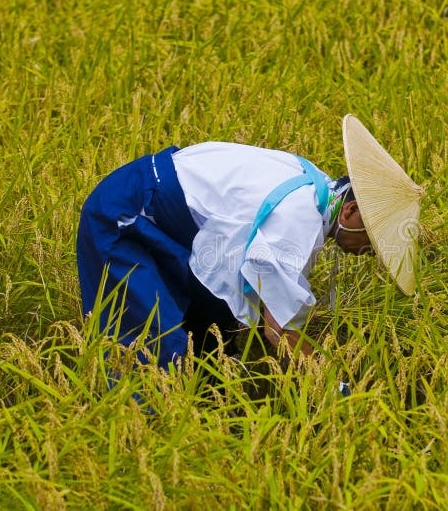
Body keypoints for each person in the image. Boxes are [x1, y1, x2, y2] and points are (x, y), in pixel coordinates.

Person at [76, 114, 423, 369]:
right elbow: (278, 329)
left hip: (163, 216)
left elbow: (257, 278)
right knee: (154, 349)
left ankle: (209, 405)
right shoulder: (298, 219)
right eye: (371, 240)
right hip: (127, 215)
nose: (367, 253)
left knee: (215, 321)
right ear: (349, 212)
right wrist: (331, 382)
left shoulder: (314, 185)